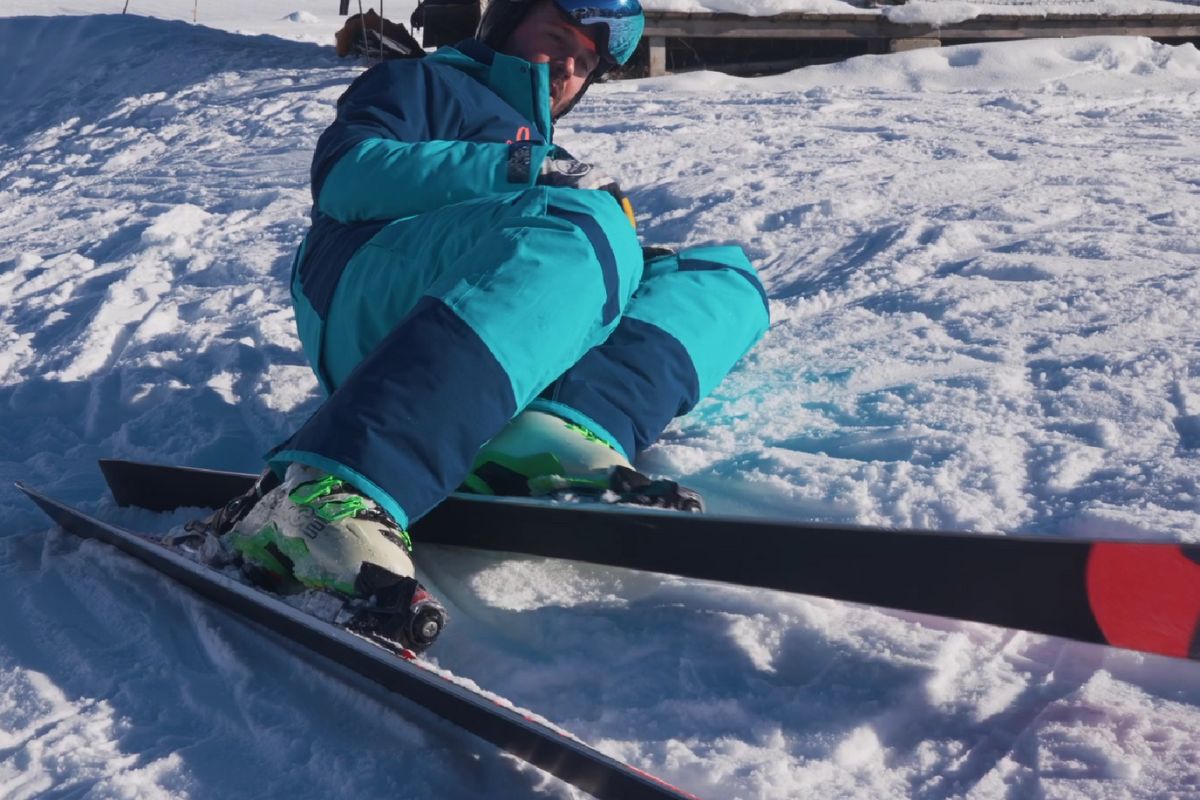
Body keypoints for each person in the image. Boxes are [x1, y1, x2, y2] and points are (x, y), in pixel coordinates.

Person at [218, 0, 770, 651]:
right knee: (583, 230)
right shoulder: (426, 83)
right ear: (506, 25)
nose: (569, 65)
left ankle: (550, 431)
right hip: (369, 291)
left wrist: (614, 244)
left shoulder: (549, 152)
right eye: (559, 38)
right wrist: (522, 171)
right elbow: (345, 177)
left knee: (720, 280)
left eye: (585, 61)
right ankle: (324, 491)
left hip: (495, 305)